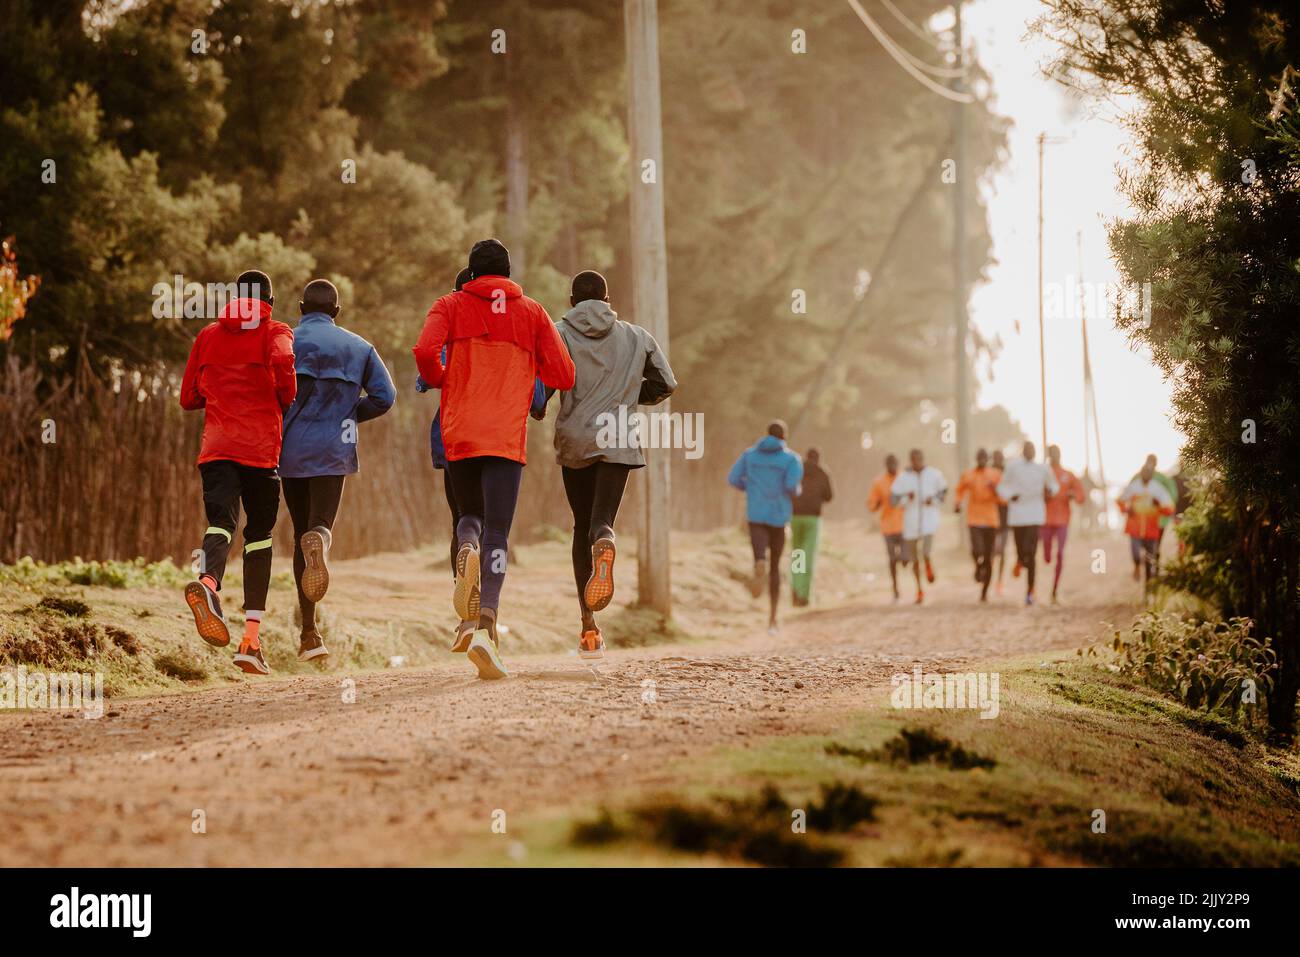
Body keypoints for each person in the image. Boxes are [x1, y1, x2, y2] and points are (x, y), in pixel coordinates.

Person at [413, 239, 575, 679]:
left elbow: (425, 354)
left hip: (459, 431)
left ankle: (465, 547)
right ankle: (486, 624)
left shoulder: (449, 305)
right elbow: (564, 374)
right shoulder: (534, 313)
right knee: (499, 534)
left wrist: (446, 381)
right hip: (505, 437)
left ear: (472, 270)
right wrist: (527, 373)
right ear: (507, 272)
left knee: (470, 516)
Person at [549, 269, 676, 659]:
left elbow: (546, 379)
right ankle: (606, 537)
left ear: (572, 302)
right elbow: (666, 383)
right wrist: (627, 394)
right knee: (602, 521)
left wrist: (537, 407)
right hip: (619, 436)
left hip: (575, 439)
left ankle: (589, 628)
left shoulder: (558, 333)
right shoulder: (637, 336)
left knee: (579, 527)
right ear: (607, 301)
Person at [180, 270, 296, 675]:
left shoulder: (208, 335)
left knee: (220, 523)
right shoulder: (275, 330)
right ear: (270, 300)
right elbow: (283, 360)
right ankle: (250, 640)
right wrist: (283, 395)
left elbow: (188, 396)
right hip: (260, 452)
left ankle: (209, 583)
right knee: (259, 538)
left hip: (216, 448)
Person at [279, 279, 395, 662]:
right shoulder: (359, 347)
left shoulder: (285, 341)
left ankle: (309, 633)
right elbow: (385, 396)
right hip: (333, 448)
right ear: (337, 312)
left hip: (291, 449)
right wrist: (349, 413)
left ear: (300, 307)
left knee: (299, 535)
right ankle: (323, 540)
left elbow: (269, 392)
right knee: (319, 524)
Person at [728, 420, 803, 633]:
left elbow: (733, 478)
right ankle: (772, 619)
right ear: (784, 437)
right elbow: (792, 487)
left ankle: (759, 560)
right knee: (776, 567)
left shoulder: (749, 455)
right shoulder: (792, 459)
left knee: (760, 556)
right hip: (779, 516)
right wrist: (795, 491)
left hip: (756, 513)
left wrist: (751, 488)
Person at [996, 440, 1059, 606]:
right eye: (1027, 449)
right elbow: (1002, 487)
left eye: (1032, 449)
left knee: (1031, 552)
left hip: (1035, 513)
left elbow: (1053, 485)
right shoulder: (1013, 467)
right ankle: (1019, 560)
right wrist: (1010, 496)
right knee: (1021, 549)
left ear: (1035, 452)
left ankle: (1030, 590)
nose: (1030, 452)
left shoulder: (1043, 468)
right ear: (1022, 451)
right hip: (1017, 514)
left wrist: (1050, 491)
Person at [890, 449, 948, 604]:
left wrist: (934, 500)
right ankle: (919, 589)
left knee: (926, 552)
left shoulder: (934, 474)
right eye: (914, 459)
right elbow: (893, 500)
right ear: (910, 460)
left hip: (929, 520)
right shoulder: (904, 478)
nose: (917, 462)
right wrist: (905, 497)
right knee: (914, 559)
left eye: (919, 459)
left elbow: (943, 492)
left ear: (923, 459)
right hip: (911, 521)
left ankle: (928, 565)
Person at [1117, 458, 1174, 592]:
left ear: (1152, 474)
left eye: (1149, 473)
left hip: (1151, 530)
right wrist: (1127, 509)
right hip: (1135, 528)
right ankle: (1136, 566)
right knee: (1136, 554)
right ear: (1141, 473)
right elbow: (1120, 501)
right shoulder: (1134, 486)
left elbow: (1169, 508)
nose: (1146, 475)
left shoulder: (1158, 489)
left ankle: (1148, 590)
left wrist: (1158, 505)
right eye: (1144, 472)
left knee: (1150, 560)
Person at [954, 448, 1003, 602]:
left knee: (988, 557)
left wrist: (995, 490)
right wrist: (957, 503)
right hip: (974, 519)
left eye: (984, 457)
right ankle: (977, 566)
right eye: (979, 457)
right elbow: (959, 490)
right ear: (976, 458)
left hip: (991, 521)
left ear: (987, 459)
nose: (982, 460)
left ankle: (984, 592)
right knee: (977, 550)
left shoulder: (995, 475)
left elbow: (1004, 498)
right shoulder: (969, 475)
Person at [1040, 444, 1085, 604]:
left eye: (1057, 453)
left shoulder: (1068, 475)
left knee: (1060, 553)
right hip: (1045, 520)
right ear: (1048, 455)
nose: (1055, 456)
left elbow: (1081, 496)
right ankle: (1046, 556)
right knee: (1046, 556)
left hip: (1062, 521)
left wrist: (1073, 495)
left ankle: (1054, 589)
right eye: (1052, 453)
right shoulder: (1043, 474)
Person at [790, 448, 833, 607]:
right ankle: (803, 595)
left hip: (795, 516)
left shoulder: (797, 469)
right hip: (812, 518)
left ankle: (794, 588)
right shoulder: (822, 472)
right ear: (818, 459)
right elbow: (829, 496)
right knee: (807, 556)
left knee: (797, 554)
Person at [1128, 454, 1179, 575]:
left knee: (1152, 547)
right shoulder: (1160, 478)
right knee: (1152, 547)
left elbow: (1171, 497)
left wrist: (1161, 507)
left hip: (1157, 520)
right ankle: (1151, 571)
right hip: (1149, 520)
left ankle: (1152, 572)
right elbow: (1172, 497)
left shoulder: (1162, 478)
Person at [867, 454, 906, 602]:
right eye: (890, 464)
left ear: (898, 464)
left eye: (895, 463)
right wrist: (875, 505)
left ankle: (903, 559)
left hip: (904, 525)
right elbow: (871, 503)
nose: (893, 466)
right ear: (886, 465)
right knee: (892, 559)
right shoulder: (879, 482)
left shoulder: (905, 479)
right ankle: (895, 587)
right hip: (887, 526)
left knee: (904, 557)